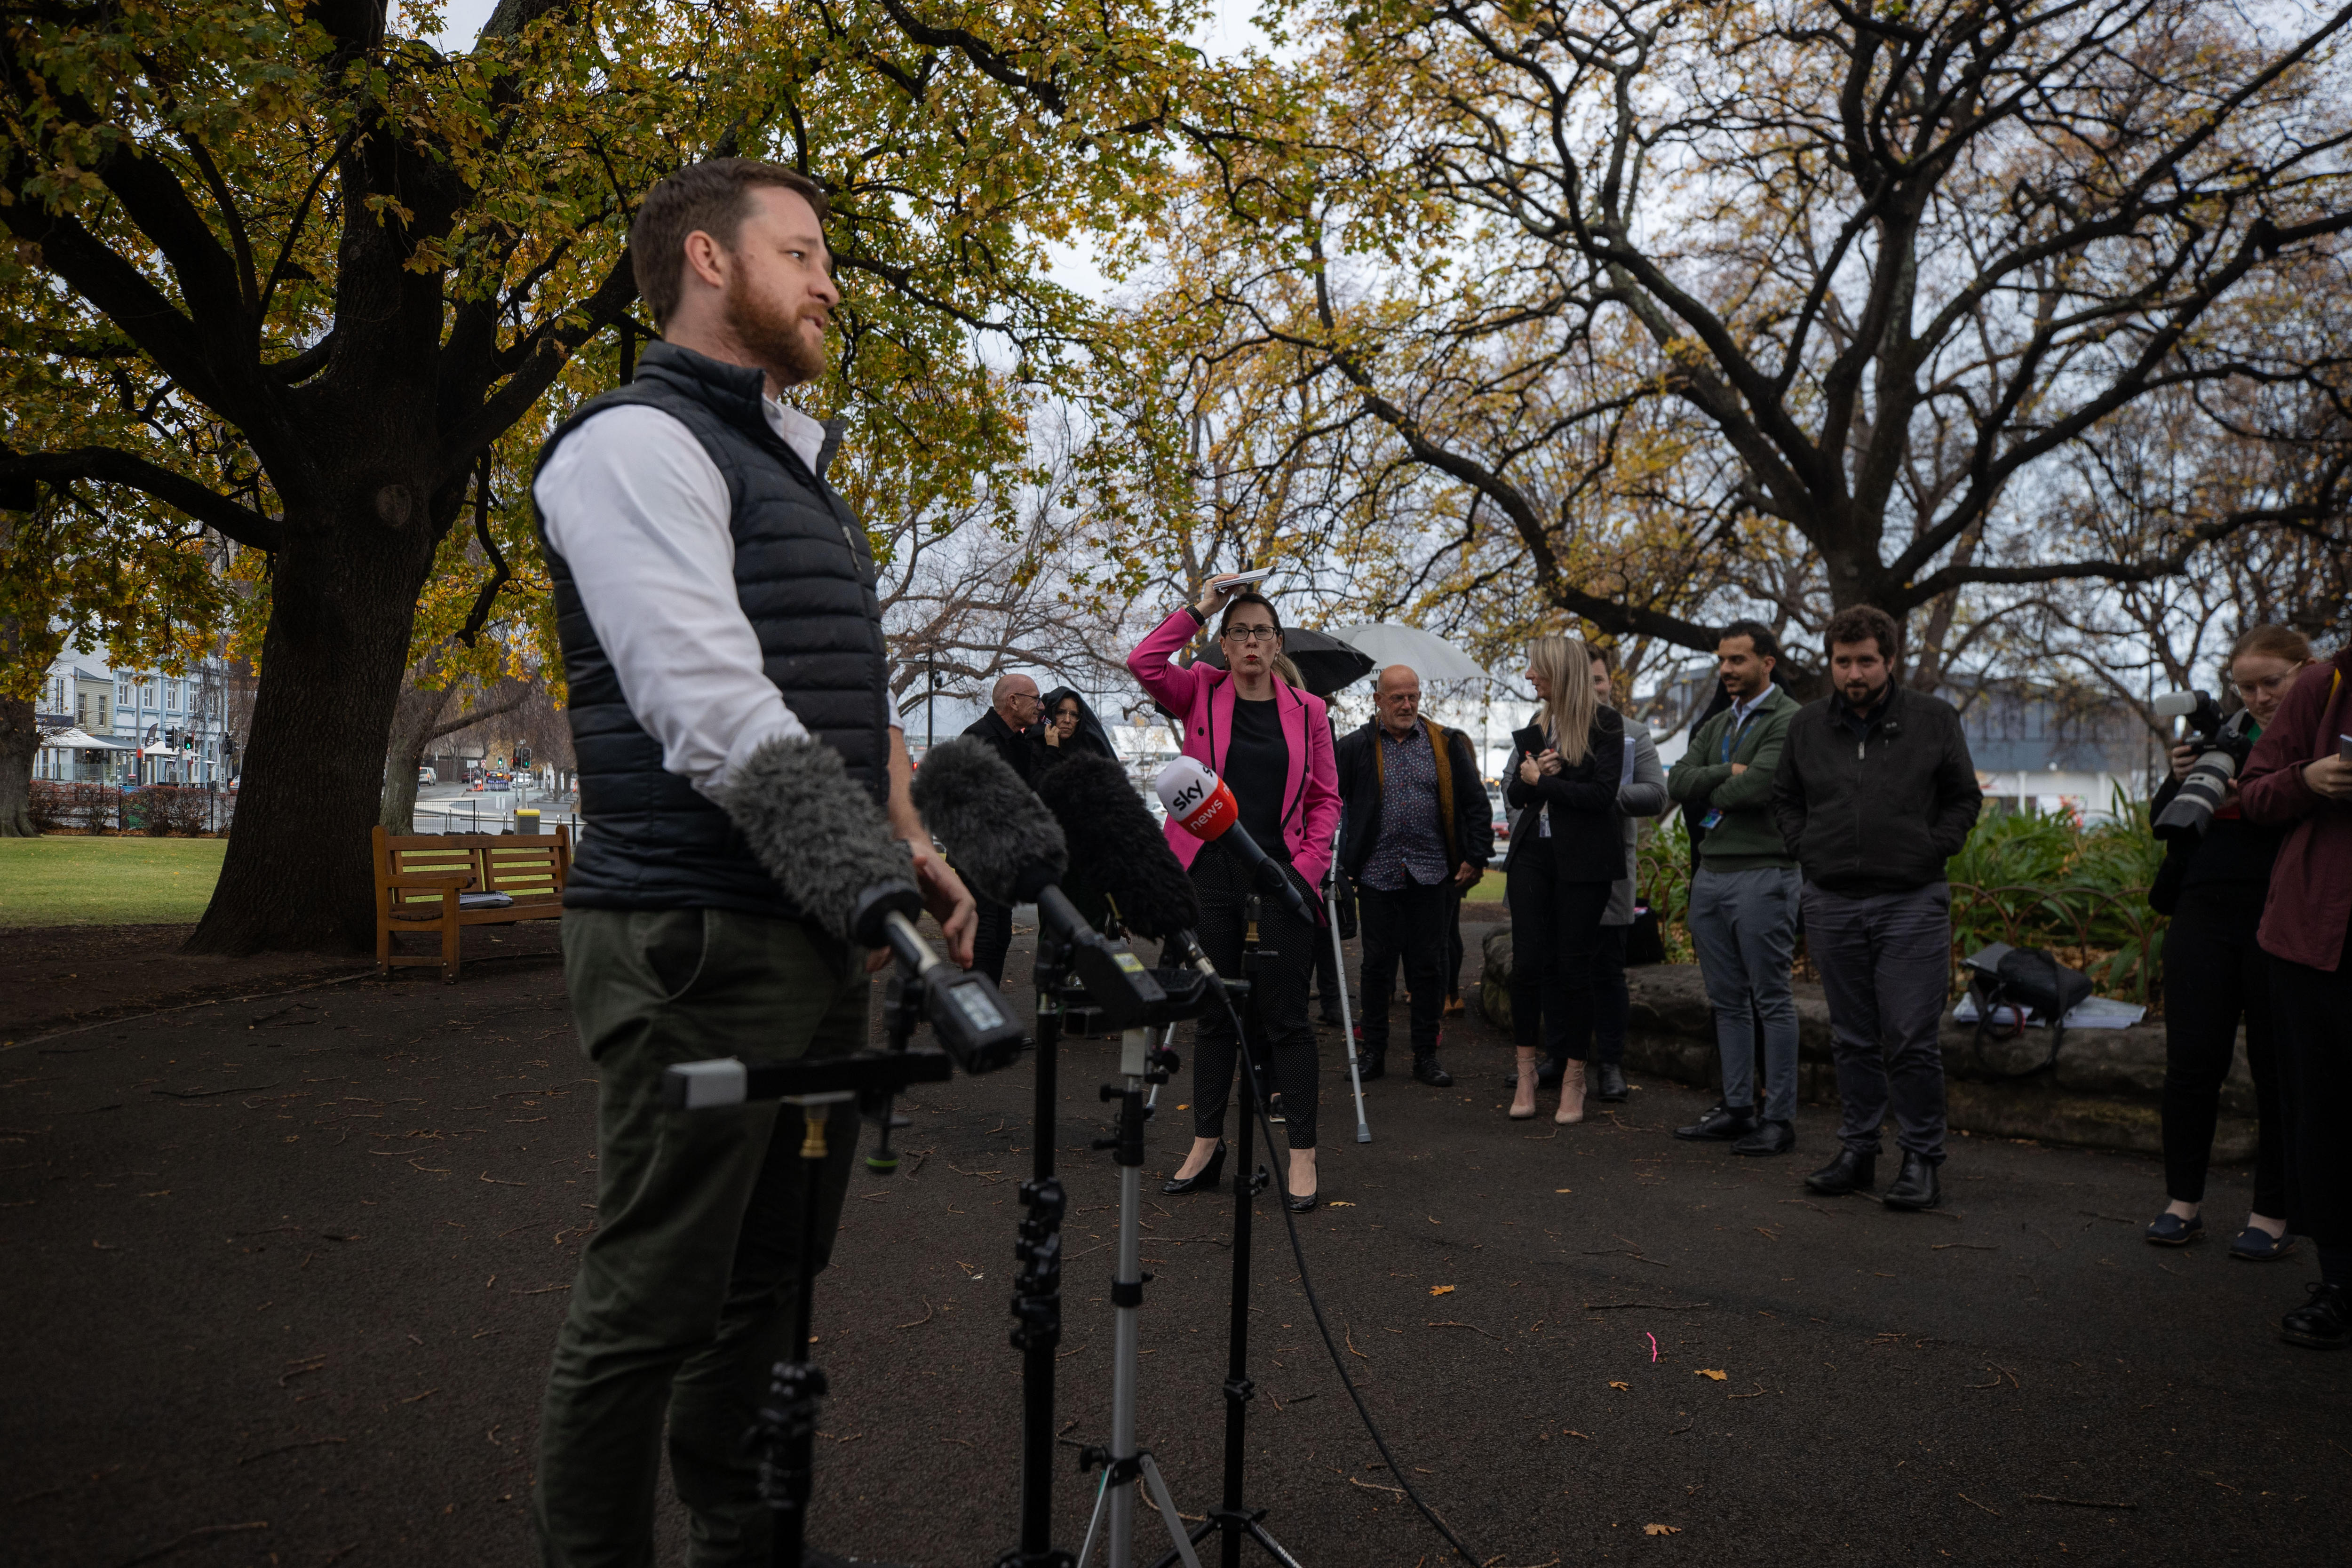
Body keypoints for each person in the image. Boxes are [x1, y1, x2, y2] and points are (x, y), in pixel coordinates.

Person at [527, 157, 977, 1566]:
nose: (828, 280)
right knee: (653, 1297)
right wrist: (872, 886)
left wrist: (905, 835)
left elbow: (836, 698)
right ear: (709, 262)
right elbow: (711, 706)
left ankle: (742, 1539)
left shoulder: (793, 461)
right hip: (693, 936)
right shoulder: (629, 445)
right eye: (802, 251)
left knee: (775, 1274)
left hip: (811, 924)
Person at [1128, 577, 1342, 1211]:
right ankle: (1205, 1144)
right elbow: (1143, 662)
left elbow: (1326, 799)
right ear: (1223, 644)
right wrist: (1200, 606)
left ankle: (1301, 1153)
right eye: (1239, 631)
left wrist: (1304, 872)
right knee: (1216, 1015)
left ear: (1277, 645)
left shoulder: (1311, 712)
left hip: (1283, 874)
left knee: (1287, 1020)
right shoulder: (1199, 689)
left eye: (1262, 632)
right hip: (1209, 874)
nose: (1251, 640)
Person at [1771, 605, 1981, 1211]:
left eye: (1866, 661)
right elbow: (1784, 797)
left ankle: (1921, 1158)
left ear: (1889, 660)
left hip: (1910, 901)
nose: (1854, 673)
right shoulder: (1807, 726)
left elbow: (1962, 798)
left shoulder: (1933, 720)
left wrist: (1930, 849)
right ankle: (1858, 1151)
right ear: (1830, 664)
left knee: (1910, 1038)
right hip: (1831, 900)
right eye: (1843, 662)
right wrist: (1805, 847)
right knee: (1852, 1039)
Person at [2143, 625, 2308, 1258]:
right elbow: (2169, 823)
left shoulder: (2321, 740)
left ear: (2305, 672)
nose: (2262, 696)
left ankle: (2273, 1212)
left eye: (2274, 681)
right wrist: (2182, 772)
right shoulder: (2222, 735)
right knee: (2191, 1064)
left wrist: (2269, 791)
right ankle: (2181, 1203)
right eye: (2247, 685)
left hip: (2281, 914)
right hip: (2204, 911)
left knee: (2278, 1072)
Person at [2238, 637, 2352, 1350]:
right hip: (2318, 943)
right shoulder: (2325, 683)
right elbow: (2254, 792)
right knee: (2327, 1116)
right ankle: (2338, 1283)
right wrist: (2309, 779)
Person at [1667, 621, 1802, 1155]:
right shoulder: (1720, 722)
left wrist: (1717, 784)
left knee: (1771, 999)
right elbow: (1677, 781)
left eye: (1737, 660)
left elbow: (1759, 786)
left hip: (1764, 873)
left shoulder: (1788, 720)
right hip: (1712, 873)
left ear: (1767, 662)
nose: (1725, 670)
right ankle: (1738, 1107)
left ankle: (1779, 1117)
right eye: (1722, 660)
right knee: (1726, 1001)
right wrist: (1724, 769)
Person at [1335, 664, 1493, 1085]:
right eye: (1398, 698)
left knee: (1428, 967)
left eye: (1414, 697)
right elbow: (1329, 803)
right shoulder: (1355, 747)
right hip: (1375, 874)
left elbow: (1477, 804)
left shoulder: (1446, 744)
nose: (1407, 705)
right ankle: (1374, 1053)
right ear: (1378, 700)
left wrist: (1476, 855)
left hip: (1431, 874)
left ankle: (1426, 1055)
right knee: (1376, 968)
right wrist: (1341, 861)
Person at [1502, 633, 1627, 1124]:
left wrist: (1547, 781)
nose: (1530, 676)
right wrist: (1535, 778)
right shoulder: (1537, 724)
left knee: (1575, 968)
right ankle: (1527, 1073)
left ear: (1561, 672)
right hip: (1533, 854)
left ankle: (1574, 1079)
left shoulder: (1604, 725)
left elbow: (1601, 797)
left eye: (1537, 669)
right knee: (1527, 964)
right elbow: (1516, 794)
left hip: (1584, 863)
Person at [1590, 645, 1666, 1103]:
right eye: (1583, 681)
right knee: (1560, 972)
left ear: (1610, 684)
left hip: (1611, 872)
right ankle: (1560, 1060)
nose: (1592, 689)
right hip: (1558, 874)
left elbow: (1656, 794)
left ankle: (1611, 1065)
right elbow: (1518, 794)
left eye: (1598, 680)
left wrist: (1599, 795)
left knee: (1606, 972)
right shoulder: (1547, 730)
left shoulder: (1633, 732)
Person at [961, 674, 1042, 986]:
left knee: (999, 938)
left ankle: (989, 1014)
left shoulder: (1017, 742)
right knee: (983, 938)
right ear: (1014, 701)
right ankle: (974, 1022)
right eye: (1035, 698)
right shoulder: (978, 739)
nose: (1040, 705)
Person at [1037, 686, 1116, 768]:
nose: (1067, 720)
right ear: (1050, 715)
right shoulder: (1033, 747)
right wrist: (1052, 749)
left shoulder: (1091, 754)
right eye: (1060, 713)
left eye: (1074, 715)